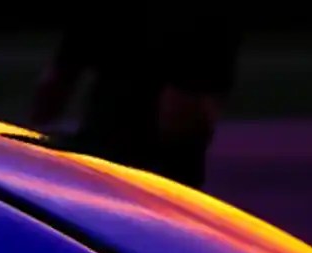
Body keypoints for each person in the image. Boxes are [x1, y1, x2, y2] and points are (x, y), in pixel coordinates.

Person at [29, 23, 243, 189]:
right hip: (165, 182)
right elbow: (185, 109)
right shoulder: (207, 22)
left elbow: (54, 88)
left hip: (99, 159)